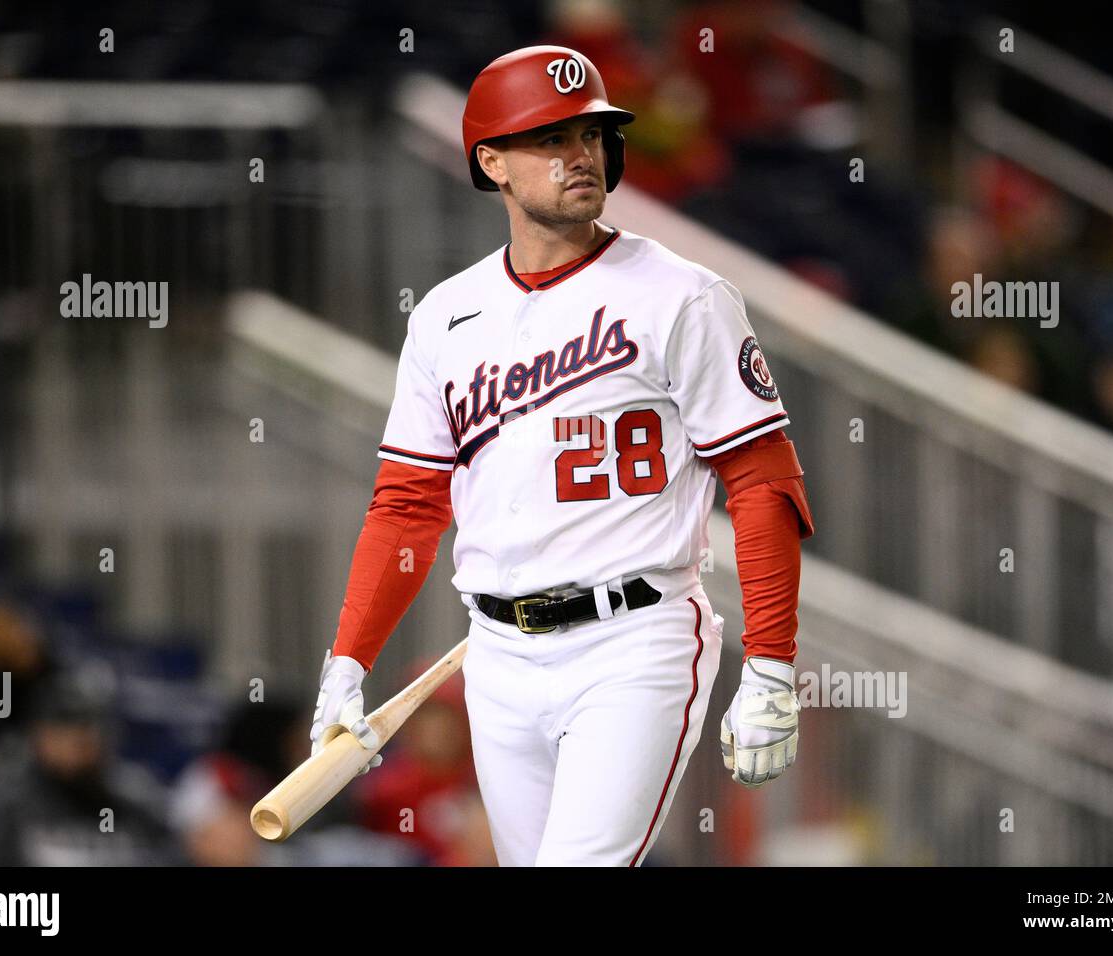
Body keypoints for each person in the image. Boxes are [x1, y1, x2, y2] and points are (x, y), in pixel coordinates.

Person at [311, 45, 815, 866]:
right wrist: (346, 663)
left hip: (635, 641)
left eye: (589, 134)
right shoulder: (446, 316)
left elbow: (762, 483)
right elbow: (408, 504)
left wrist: (773, 665)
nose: (579, 155)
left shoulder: (683, 295)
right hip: (496, 654)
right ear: (491, 162)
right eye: (549, 138)